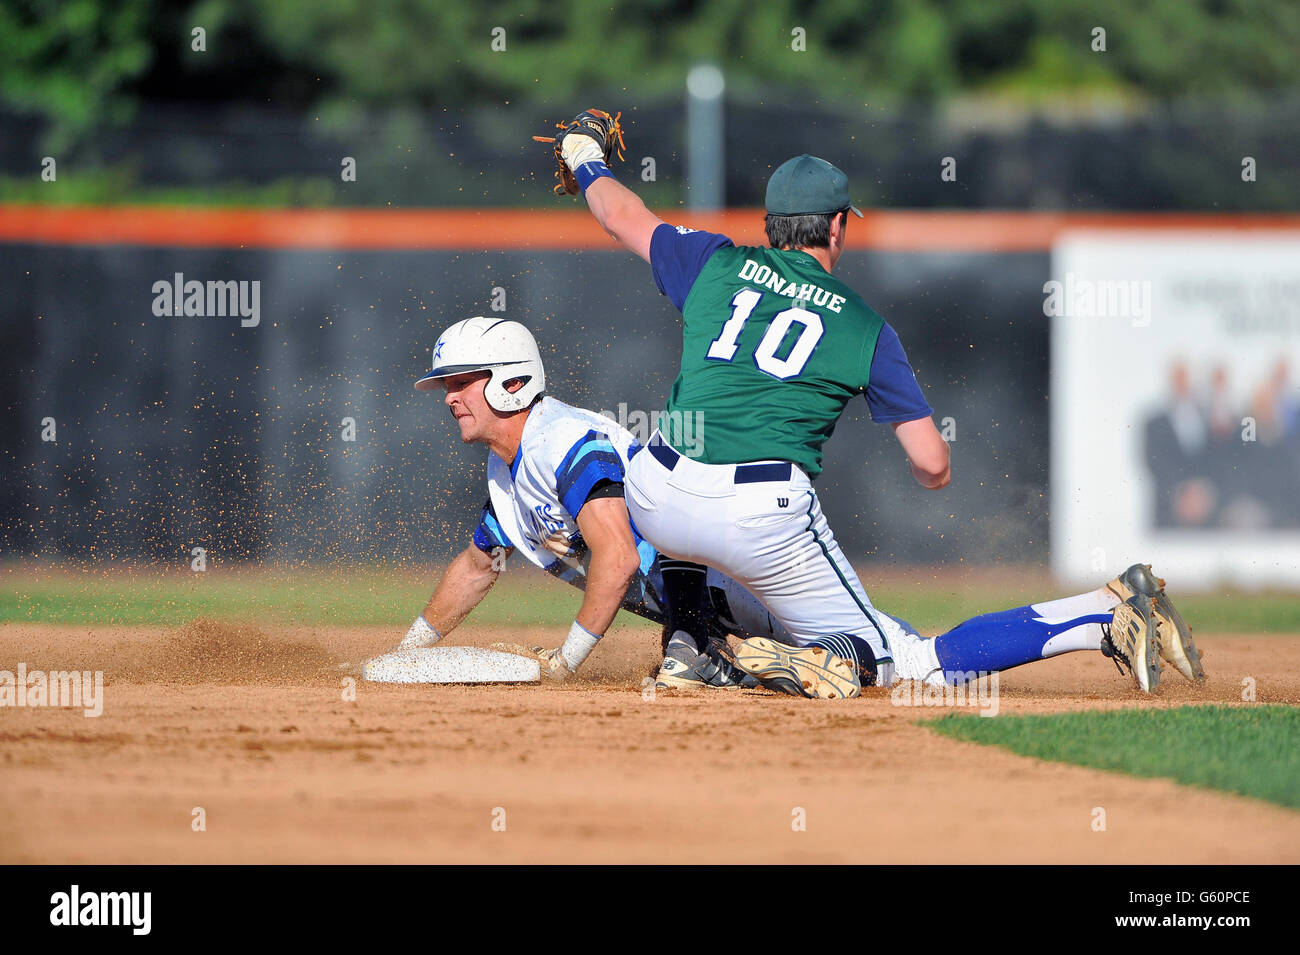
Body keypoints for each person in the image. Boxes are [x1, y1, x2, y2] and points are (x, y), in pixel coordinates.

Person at [550, 112, 1204, 696]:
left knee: (686, 517)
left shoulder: (712, 261)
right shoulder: (863, 326)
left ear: (770, 226)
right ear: (837, 227)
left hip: (658, 493)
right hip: (759, 517)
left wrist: (586, 158)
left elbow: (621, 214)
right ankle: (1082, 616)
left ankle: (691, 644)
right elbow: (930, 462)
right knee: (905, 658)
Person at [392, 315, 800, 690]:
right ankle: (711, 652)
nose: (449, 398)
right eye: (447, 387)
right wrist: (404, 656)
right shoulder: (511, 466)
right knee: (697, 662)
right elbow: (479, 566)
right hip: (711, 604)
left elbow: (620, 558)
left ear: (513, 382)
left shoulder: (561, 441)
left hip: (755, 587)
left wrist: (565, 664)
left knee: (854, 663)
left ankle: (740, 653)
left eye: (461, 383)